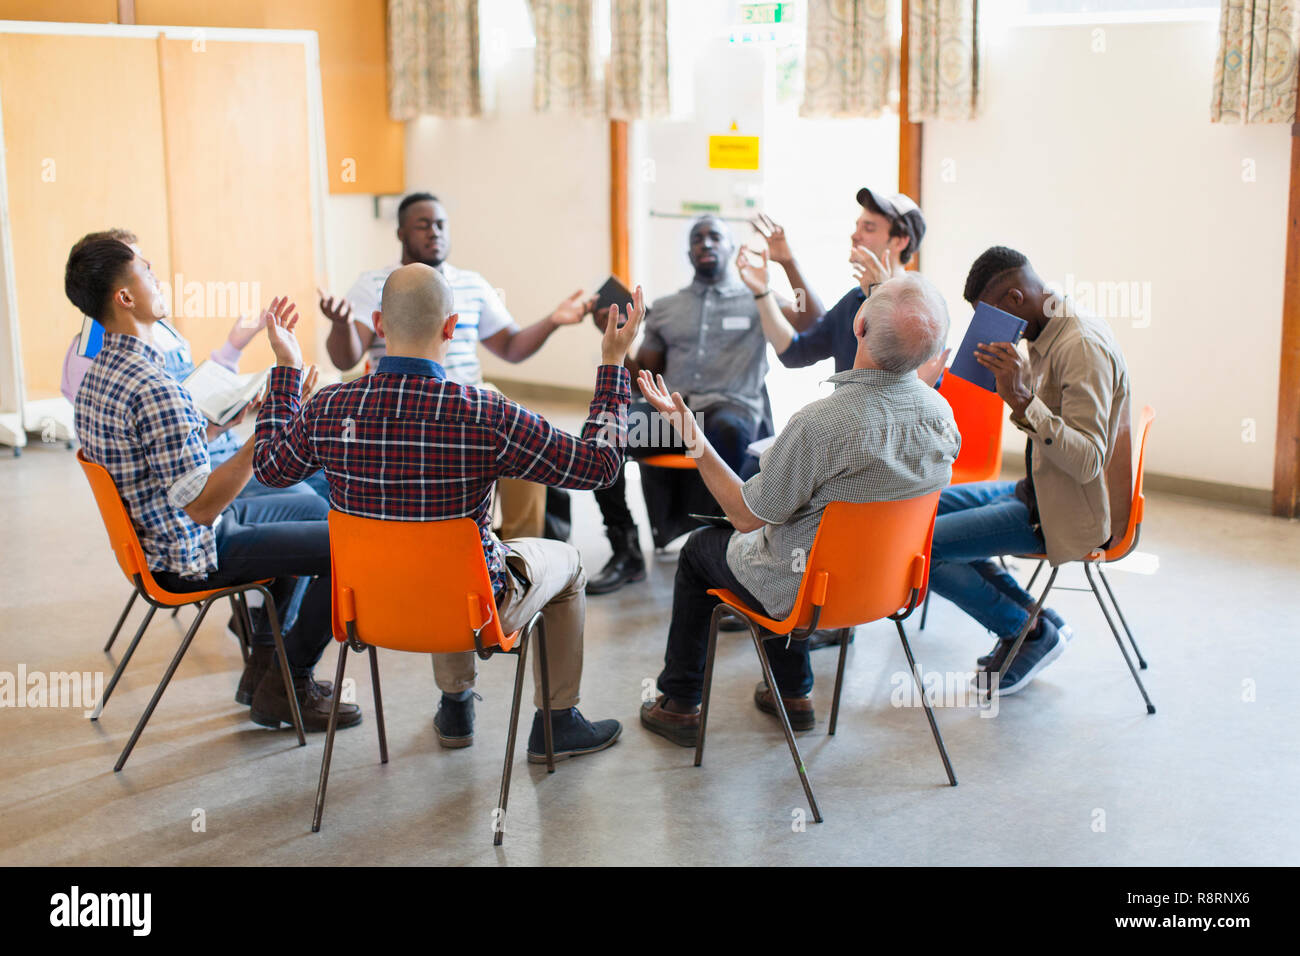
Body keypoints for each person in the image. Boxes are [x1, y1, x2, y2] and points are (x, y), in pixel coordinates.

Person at [253, 263, 641, 759]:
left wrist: (286, 371)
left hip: (366, 608)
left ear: (378, 324)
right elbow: (599, 466)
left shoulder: (328, 407)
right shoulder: (486, 413)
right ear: (451, 329)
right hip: (467, 609)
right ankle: (557, 723)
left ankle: (456, 704)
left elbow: (268, 467)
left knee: (434, 551)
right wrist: (612, 364)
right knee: (566, 565)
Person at [638, 271, 960, 745]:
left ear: (859, 326)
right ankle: (792, 693)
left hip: (809, 593)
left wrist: (693, 437)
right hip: (887, 589)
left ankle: (680, 702)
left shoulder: (819, 424)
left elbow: (748, 517)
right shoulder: (941, 415)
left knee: (703, 549)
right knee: (793, 539)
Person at [65, 233, 356, 732]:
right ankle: (292, 683)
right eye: (146, 270)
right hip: (189, 551)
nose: (157, 276)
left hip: (156, 540)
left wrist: (232, 423)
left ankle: (268, 673)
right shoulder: (154, 385)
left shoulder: (103, 374)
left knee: (305, 510)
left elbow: (162, 452)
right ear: (125, 296)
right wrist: (265, 427)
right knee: (347, 544)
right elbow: (201, 506)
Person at [318, 192, 590, 541]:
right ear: (401, 233)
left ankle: (520, 546)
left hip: (470, 399)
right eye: (424, 225)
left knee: (520, 434)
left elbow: (510, 346)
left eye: (441, 224)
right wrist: (341, 325)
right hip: (396, 399)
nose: (435, 232)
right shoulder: (374, 284)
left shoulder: (472, 284)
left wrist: (553, 320)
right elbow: (345, 359)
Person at [928, 246, 1133, 696]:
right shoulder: (1047, 331)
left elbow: (1087, 460)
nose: (986, 329)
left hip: (1065, 511)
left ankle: (1027, 631)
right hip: (1037, 490)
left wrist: (1022, 400)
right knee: (922, 511)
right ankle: (1033, 620)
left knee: (924, 552)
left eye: (989, 315)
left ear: (1016, 298)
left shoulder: (1080, 347)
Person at [586, 215, 804, 595]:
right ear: (689, 253)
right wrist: (616, 339)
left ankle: (725, 554)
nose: (706, 243)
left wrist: (786, 268)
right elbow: (645, 374)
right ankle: (626, 548)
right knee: (606, 431)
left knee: (728, 428)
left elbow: (806, 327)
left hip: (731, 409)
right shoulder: (668, 307)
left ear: (730, 247)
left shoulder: (758, 297)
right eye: (698, 238)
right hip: (675, 414)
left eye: (715, 236)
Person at [59, 229, 328, 501]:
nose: (154, 275)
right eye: (142, 267)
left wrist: (233, 348)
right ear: (121, 292)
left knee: (322, 474)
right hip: (203, 477)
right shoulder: (119, 369)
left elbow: (193, 393)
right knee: (313, 500)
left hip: (216, 448)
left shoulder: (155, 334)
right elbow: (173, 478)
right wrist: (271, 426)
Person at [750, 188, 927, 373]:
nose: (855, 235)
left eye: (868, 228)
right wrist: (762, 291)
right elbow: (797, 353)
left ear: (900, 242)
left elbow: (916, 381)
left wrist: (879, 293)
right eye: (857, 226)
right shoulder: (854, 301)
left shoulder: (922, 305)